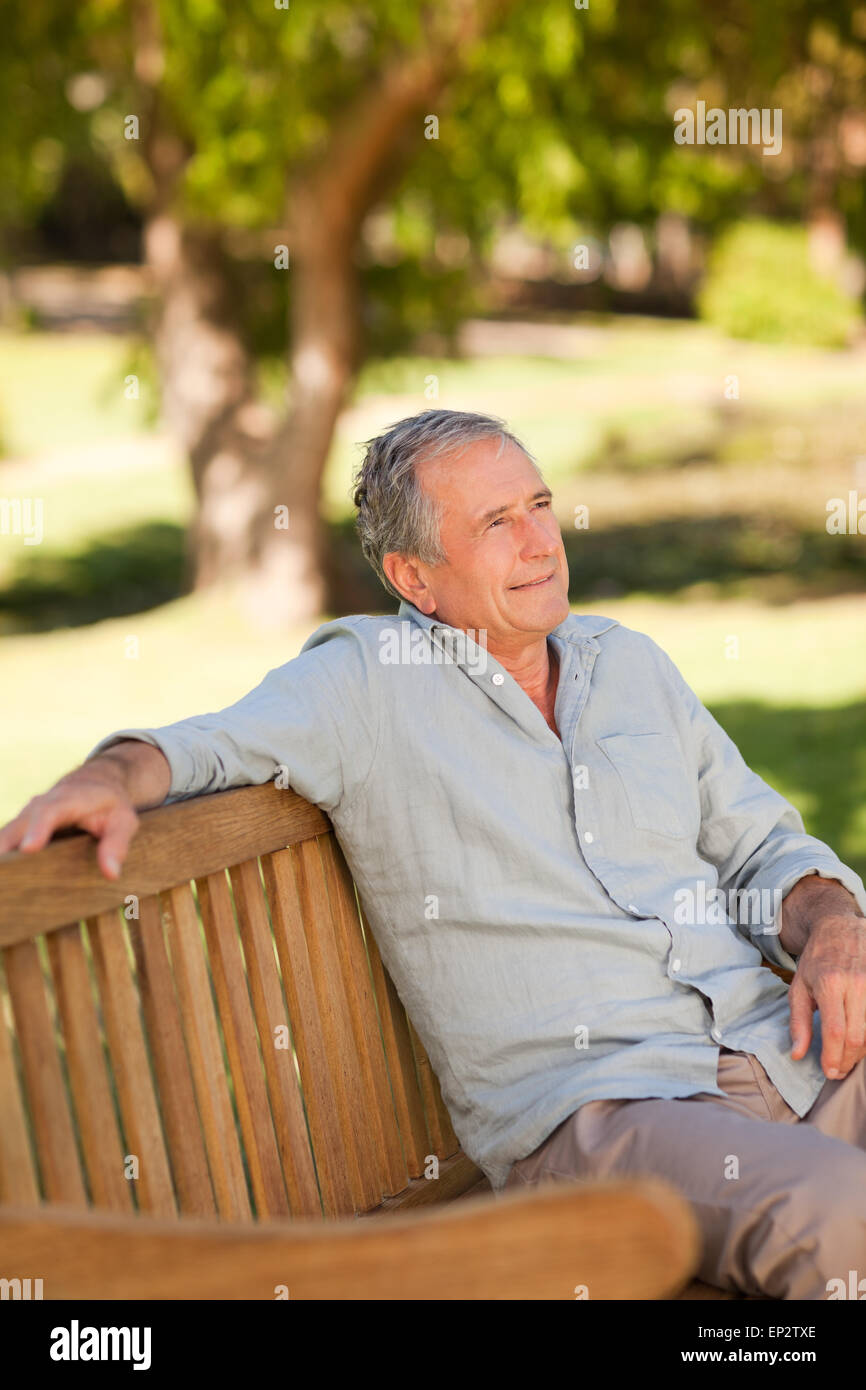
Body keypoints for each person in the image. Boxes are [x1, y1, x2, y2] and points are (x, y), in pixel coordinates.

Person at [2, 407, 866, 1299]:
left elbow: (760, 846)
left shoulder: (628, 662)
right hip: (608, 1114)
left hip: (784, 1043)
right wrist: (109, 774)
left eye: (539, 505)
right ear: (414, 576)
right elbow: (208, 745)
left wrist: (833, 923)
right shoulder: (365, 683)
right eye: (497, 524)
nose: (540, 544)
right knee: (843, 1216)